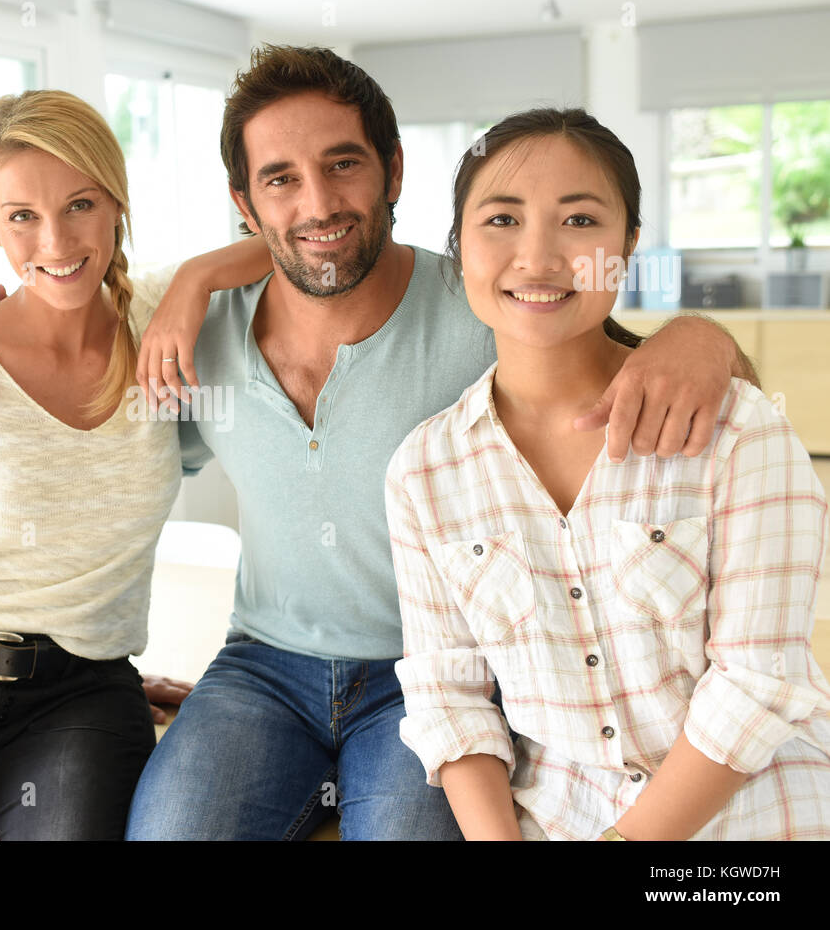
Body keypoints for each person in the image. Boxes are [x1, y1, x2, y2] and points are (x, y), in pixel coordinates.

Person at [125, 45, 760, 841]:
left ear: (394, 169)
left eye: (343, 164)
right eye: (280, 179)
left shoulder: (486, 301)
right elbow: (70, 346)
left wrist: (698, 335)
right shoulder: (198, 336)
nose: (318, 203)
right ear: (244, 203)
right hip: (262, 667)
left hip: (443, 677)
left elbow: (641, 361)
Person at [0, 89, 272, 841]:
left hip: (81, 698)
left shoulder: (161, 315)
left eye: (81, 204)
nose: (56, 242)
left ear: (116, 204)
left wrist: (196, 280)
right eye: (22, 217)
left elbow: (289, 238)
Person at [386, 107, 830, 841]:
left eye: (580, 221)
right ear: (457, 246)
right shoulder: (424, 471)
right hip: (556, 818)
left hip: (757, 815)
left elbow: (758, 684)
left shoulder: (741, 430)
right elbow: (449, 698)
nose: (538, 257)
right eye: (501, 219)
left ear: (625, 248)